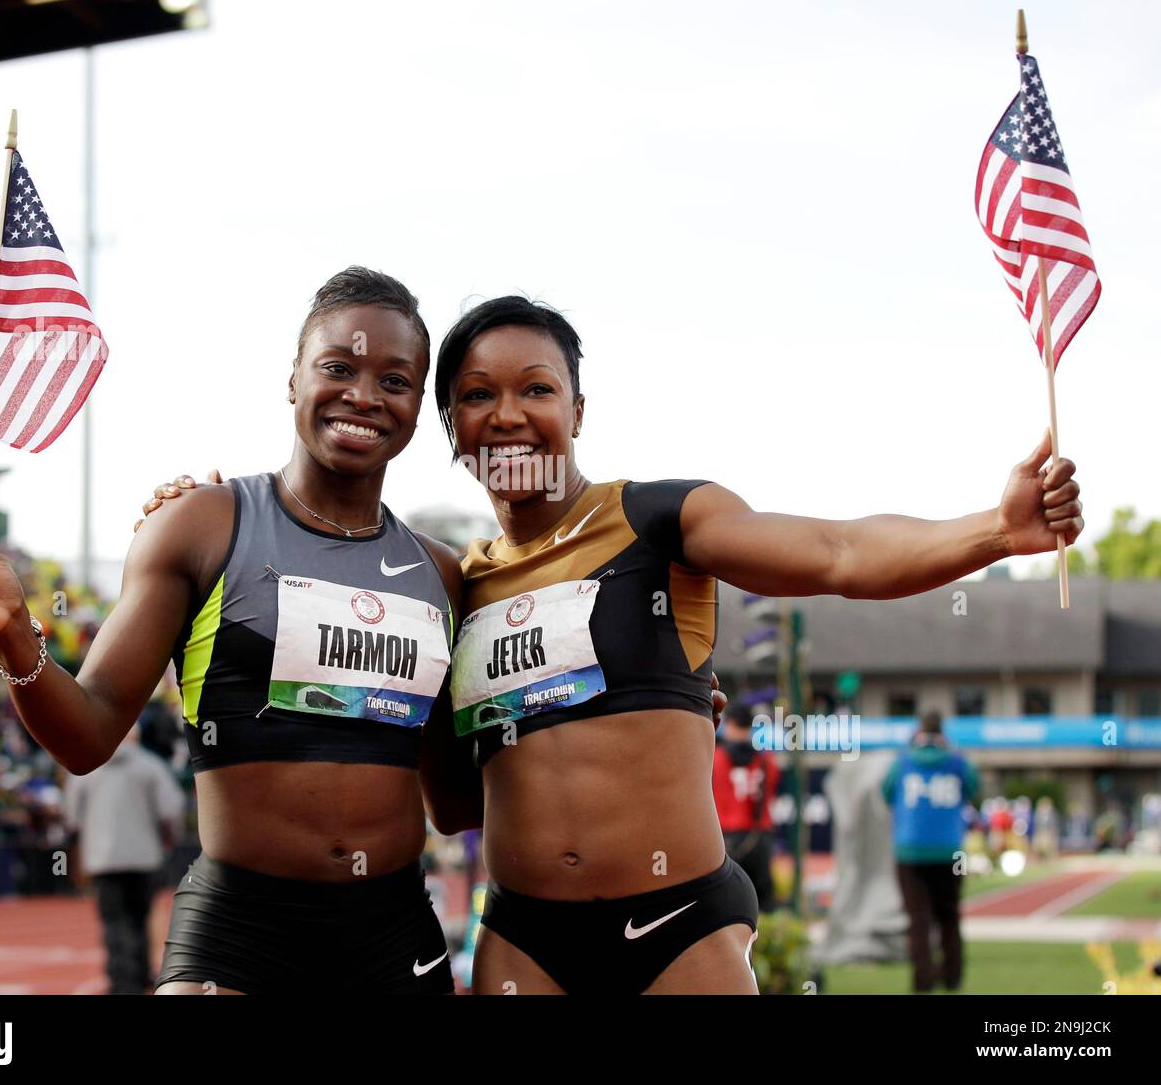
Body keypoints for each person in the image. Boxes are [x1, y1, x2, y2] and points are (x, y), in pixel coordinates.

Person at [420, 295, 1082, 995]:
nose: (508, 415)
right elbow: (457, 806)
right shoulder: (462, 590)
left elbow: (839, 553)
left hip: (675, 928)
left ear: (578, 410)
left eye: (537, 388)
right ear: (454, 428)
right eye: (476, 395)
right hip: (525, 941)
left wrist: (996, 532)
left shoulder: (658, 520)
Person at [0, 268, 462, 994]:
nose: (364, 396)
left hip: (394, 935)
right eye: (338, 368)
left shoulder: (444, 573)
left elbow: (457, 799)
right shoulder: (205, 525)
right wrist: (15, 634)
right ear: (293, 380)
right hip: (241, 933)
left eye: (395, 380)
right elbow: (87, 738)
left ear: (418, 405)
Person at [64, 723, 185, 994]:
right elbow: (171, 809)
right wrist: (167, 839)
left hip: (104, 859)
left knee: (115, 921)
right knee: (141, 916)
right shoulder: (151, 766)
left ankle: (122, 980)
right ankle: (141, 974)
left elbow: (72, 817)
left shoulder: (85, 768)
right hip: (145, 857)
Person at [880, 710, 980, 993]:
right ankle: (952, 975)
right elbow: (973, 787)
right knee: (950, 915)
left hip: (910, 850)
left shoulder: (903, 761)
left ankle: (923, 978)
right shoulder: (957, 761)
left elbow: (886, 793)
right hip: (949, 849)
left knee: (918, 919)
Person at [711, 704, 779, 912]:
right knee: (764, 904)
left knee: (725, 904)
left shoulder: (716, 757)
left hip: (726, 839)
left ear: (729, 723)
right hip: (759, 836)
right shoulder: (766, 760)